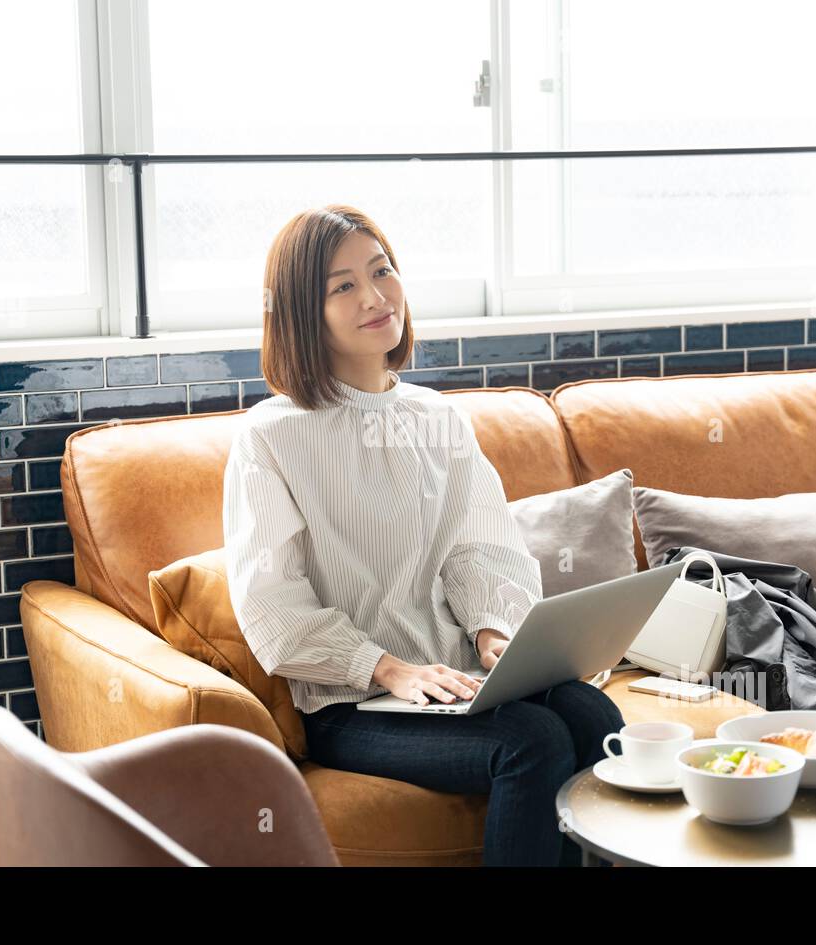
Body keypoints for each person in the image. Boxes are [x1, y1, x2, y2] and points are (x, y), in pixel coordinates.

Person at [222, 204, 623, 866]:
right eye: (342, 285)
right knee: (533, 741)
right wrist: (386, 668)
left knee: (595, 719)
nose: (375, 297)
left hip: (459, 678)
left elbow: (479, 548)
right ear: (300, 312)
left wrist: (496, 631)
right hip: (355, 706)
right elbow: (271, 607)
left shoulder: (437, 417)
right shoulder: (272, 436)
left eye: (382, 271)